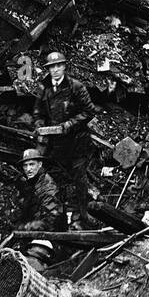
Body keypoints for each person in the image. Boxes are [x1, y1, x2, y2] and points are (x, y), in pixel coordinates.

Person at [33, 51, 98, 227]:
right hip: (56, 144)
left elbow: (89, 111)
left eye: (58, 66)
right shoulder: (44, 88)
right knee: (60, 179)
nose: (55, 70)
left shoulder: (76, 87)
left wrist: (69, 124)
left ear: (64, 67)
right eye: (52, 67)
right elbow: (38, 112)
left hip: (77, 141)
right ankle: (60, 218)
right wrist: (40, 125)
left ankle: (83, 216)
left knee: (79, 178)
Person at [17, 148, 65, 233]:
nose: (28, 169)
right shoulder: (31, 183)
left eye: (32, 164)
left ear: (40, 164)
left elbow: (53, 216)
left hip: (49, 235)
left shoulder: (47, 185)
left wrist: (29, 227)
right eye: (25, 165)